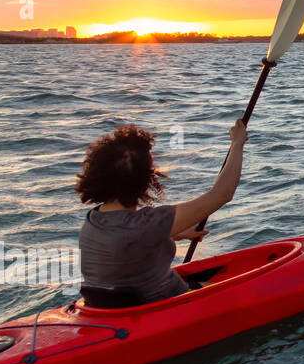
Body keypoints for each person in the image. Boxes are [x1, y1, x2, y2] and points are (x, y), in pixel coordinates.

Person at [75, 120, 248, 305]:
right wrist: (237, 143)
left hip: (107, 309)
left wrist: (173, 233)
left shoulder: (92, 221)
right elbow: (222, 194)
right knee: (242, 292)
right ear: (145, 179)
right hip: (168, 305)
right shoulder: (151, 223)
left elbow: (123, 246)